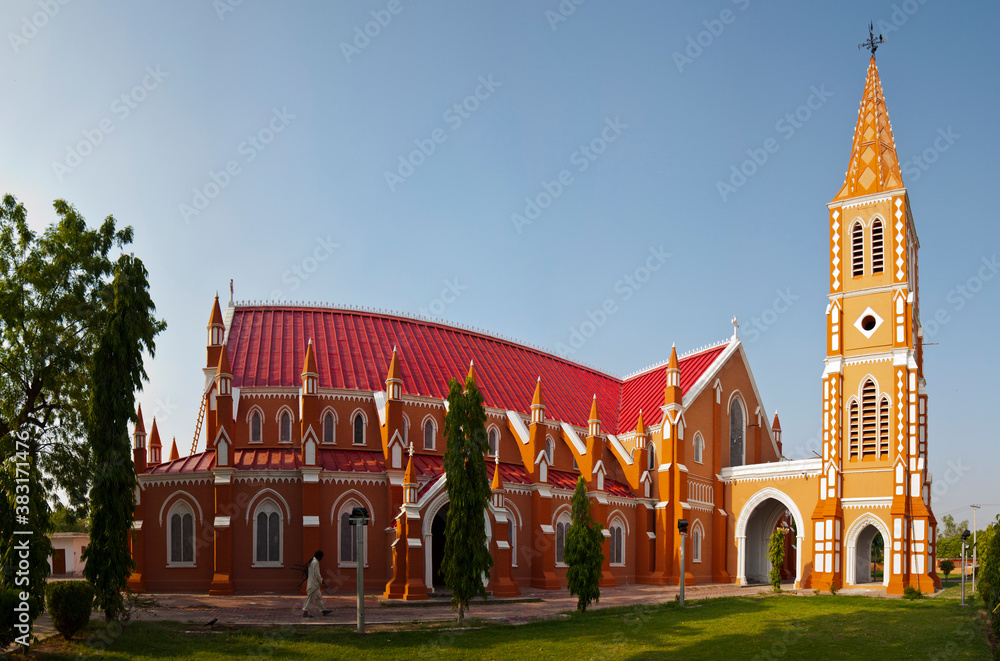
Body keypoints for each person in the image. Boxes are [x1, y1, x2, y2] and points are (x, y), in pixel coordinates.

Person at [302, 550, 331, 617]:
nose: (322, 558)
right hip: (313, 585)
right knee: (310, 599)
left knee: (318, 598)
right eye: (321, 557)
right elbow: (317, 574)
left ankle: (323, 610)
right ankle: (305, 612)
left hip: (314, 585)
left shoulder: (313, 561)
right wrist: (322, 581)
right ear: (319, 556)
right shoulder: (315, 562)